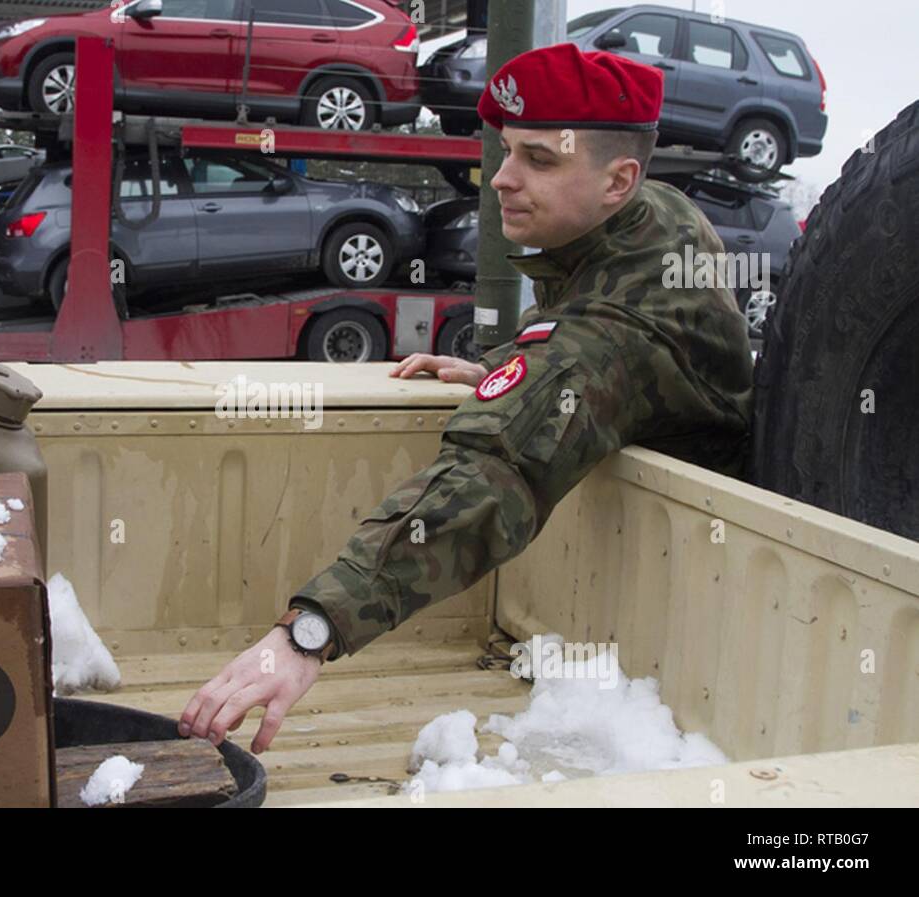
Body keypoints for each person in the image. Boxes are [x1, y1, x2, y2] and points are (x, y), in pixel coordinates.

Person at [179, 43, 754, 755]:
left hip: (702, 611)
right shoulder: (646, 214)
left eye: (539, 160)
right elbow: (588, 315)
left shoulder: (609, 340)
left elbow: (489, 473)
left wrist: (310, 632)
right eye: (508, 151)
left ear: (619, 179)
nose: (502, 179)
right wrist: (517, 361)